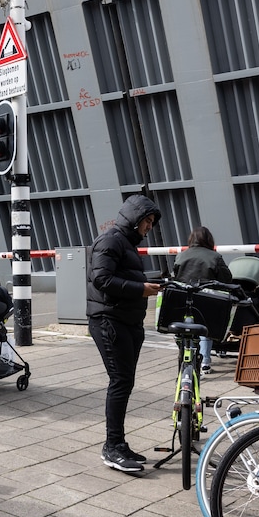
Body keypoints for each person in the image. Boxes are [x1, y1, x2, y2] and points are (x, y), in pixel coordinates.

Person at [86, 194, 163, 474]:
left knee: (124, 382)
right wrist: (141, 289)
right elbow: (102, 279)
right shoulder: (111, 240)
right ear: (135, 218)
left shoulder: (125, 242)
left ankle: (118, 443)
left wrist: (145, 284)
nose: (149, 227)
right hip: (110, 321)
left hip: (126, 321)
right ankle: (112, 447)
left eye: (152, 223)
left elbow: (121, 276)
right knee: (120, 382)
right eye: (147, 221)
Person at [172, 226, 233, 375]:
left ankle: (185, 356)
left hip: (184, 299)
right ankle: (205, 361)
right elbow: (227, 278)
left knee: (186, 328)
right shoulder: (215, 257)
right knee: (205, 329)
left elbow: (176, 277)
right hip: (207, 299)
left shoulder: (181, 255)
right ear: (209, 239)